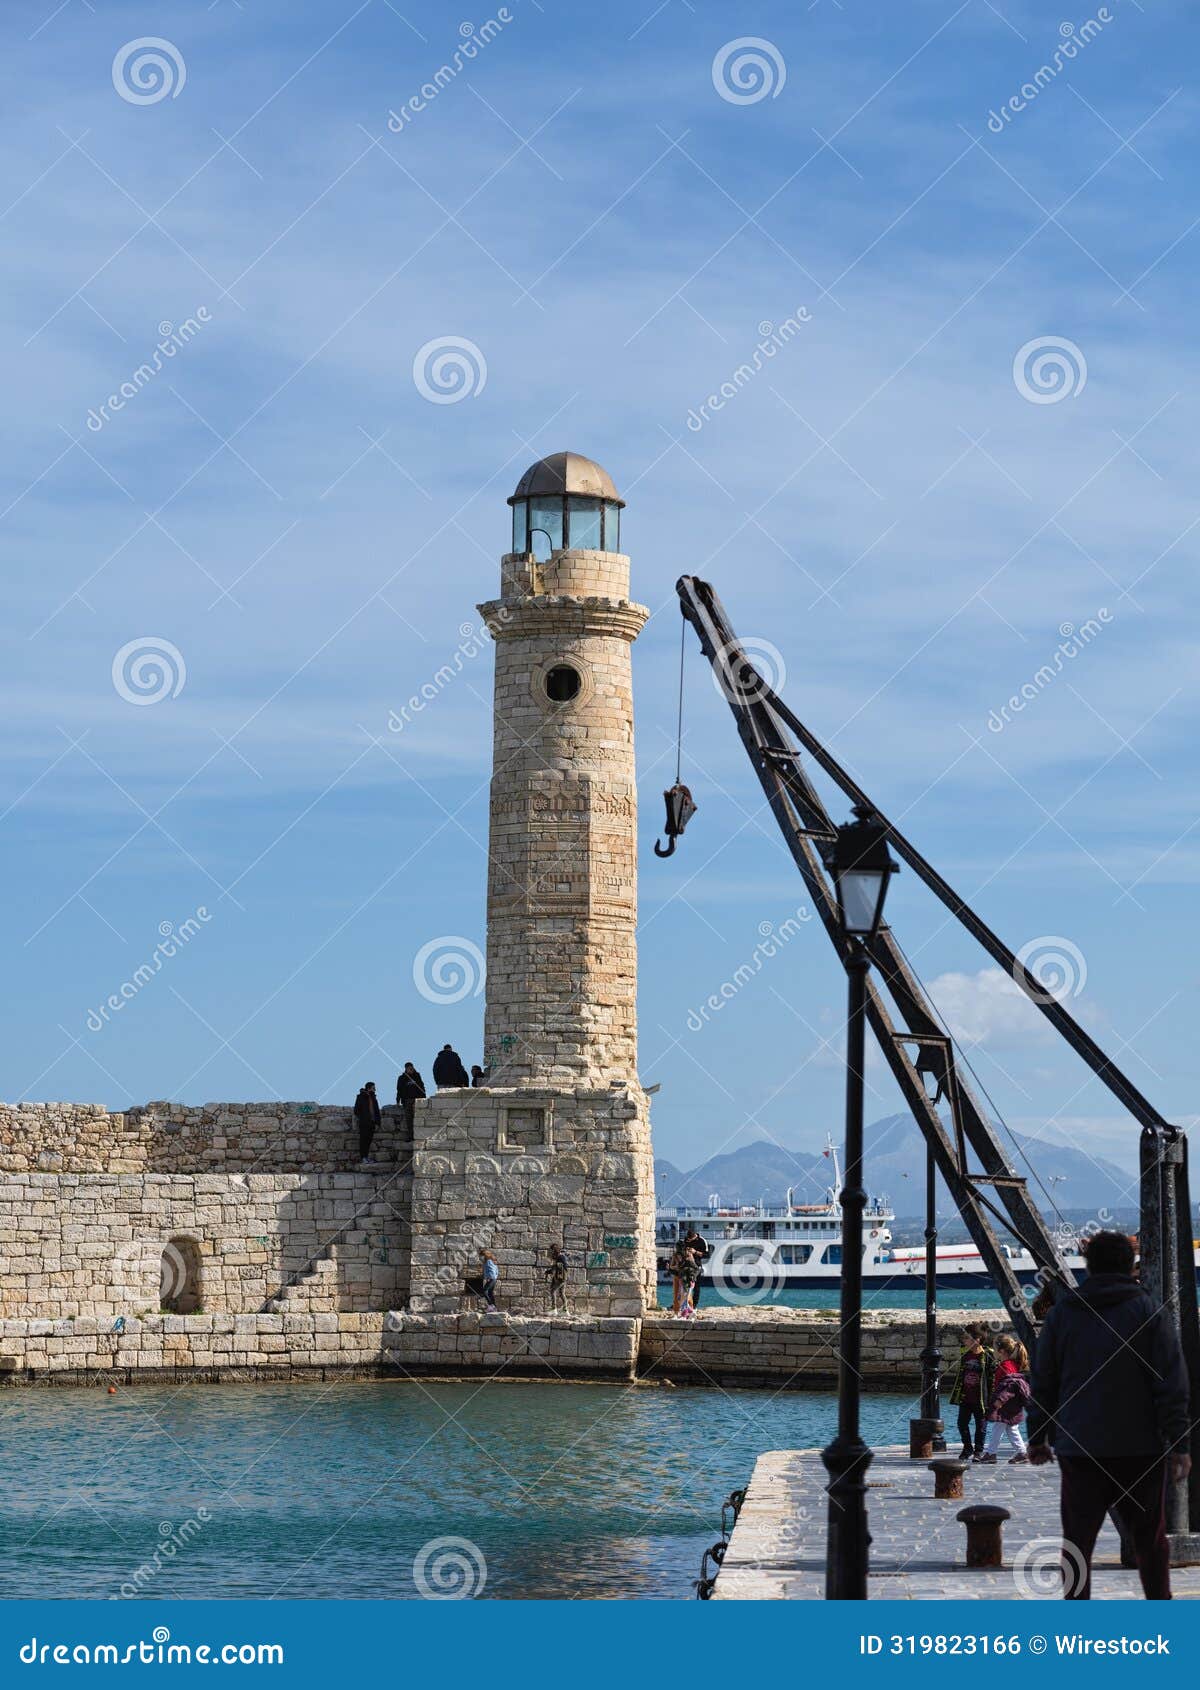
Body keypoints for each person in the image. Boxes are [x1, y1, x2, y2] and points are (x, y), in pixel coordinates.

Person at [1028, 1229, 1191, 1601]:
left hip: (1080, 1447)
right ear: (1131, 1264)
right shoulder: (1150, 1311)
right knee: (1150, 1540)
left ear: (1089, 1265)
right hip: (1141, 1448)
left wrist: (1037, 1437)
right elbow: (1172, 1383)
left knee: (1077, 1542)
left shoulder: (1063, 1314)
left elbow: (1044, 1381)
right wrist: (1179, 1442)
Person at [980, 1334, 1030, 1463]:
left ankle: (991, 1454)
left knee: (999, 1427)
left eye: (994, 1348)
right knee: (1010, 1428)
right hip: (1011, 1404)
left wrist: (1000, 1400)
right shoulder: (1010, 1364)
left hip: (1006, 1404)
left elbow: (1010, 1386)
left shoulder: (1006, 1366)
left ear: (1001, 1351)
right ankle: (1021, 1453)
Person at [947, 1324, 994, 1462]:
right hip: (965, 1397)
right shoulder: (965, 1353)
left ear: (977, 1339)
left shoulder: (987, 1355)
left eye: (967, 1338)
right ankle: (967, 1447)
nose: (964, 1341)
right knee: (962, 1423)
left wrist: (992, 1397)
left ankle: (978, 1451)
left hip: (981, 1398)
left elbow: (992, 1377)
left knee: (981, 1426)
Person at [682, 1226, 710, 1310]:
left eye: (690, 1239)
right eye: (688, 1239)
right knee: (684, 1286)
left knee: (696, 1287)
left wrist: (695, 1252)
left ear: (695, 1236)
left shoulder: (702, 1241)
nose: (689, 1240)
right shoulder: (686, 1239)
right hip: (686, 1265)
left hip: (696, 1266)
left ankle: (694, 1305)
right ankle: (684, 1304)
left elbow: (707, 1255)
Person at [353, 1081, 381, 1161]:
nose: (375, 1089)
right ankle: (363, 1158)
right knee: (363, 1141)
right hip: (364, 1123)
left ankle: (366, 1157)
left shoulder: (373, 1097)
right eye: (373, 1088)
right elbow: (356, 1110)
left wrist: (378, 1122)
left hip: (372, 1123)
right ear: (369, 1088)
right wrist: (363, 1117)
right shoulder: (360, 1097)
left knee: (368, 1141)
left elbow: (377, 1111)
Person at [395, 1062, 426, 1133]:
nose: (411, 1070)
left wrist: (424, 1097)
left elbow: (422, 1086)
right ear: (406, 1069)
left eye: (412, 1068)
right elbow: (399, 1090)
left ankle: (419, 1134)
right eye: (409, 1068)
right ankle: (410, 1135)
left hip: (417, 1099)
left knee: (418, 1118)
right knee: (409, 1119)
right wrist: (398, 1101)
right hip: (407, 1100)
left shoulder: (417, 1076)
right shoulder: (402, 1078)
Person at [546, 1244, 570, 1314]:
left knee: (553, 1291)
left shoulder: (561, 1257)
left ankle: (554, 1309)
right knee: (562, 1293)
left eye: (551, 1251)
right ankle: (565, 1310)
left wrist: (555, 1266)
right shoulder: (559, 1257)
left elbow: (564, 1267)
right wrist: (549, 1271)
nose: (550, 1253)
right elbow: (556, 1268)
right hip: (560, 1278)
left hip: (561, 1278)